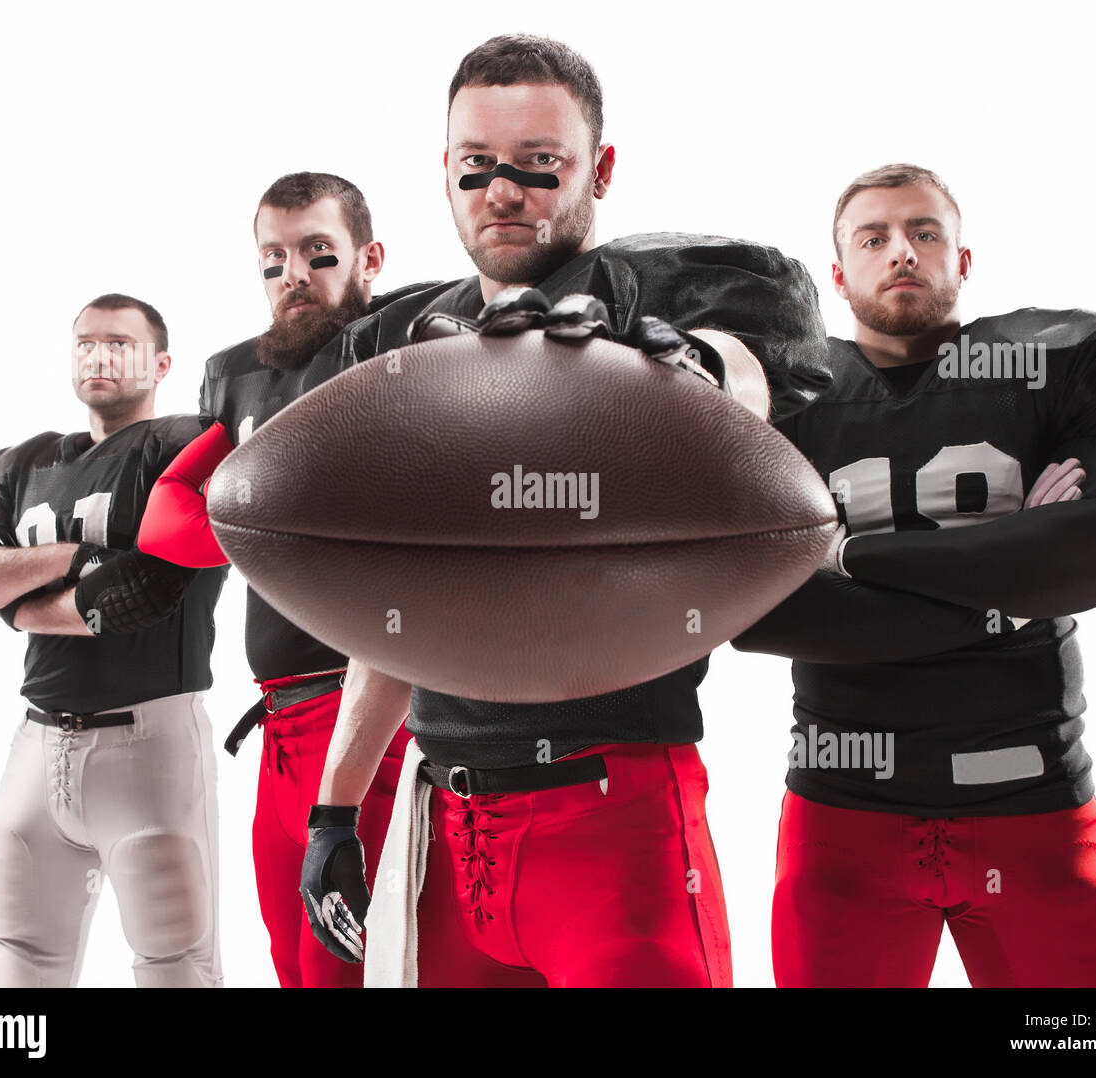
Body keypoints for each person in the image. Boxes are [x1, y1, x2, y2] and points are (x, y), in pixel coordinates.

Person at [297, 33, 830, 988]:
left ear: (601, 169)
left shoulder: (647, 295)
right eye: (477, 167)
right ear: (446, 172)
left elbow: (749, 370)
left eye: (540, 167)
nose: (504, 191)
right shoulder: (401, 338)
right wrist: (336, 806)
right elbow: (386, 595)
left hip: (613, 807)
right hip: (449, 818)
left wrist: (684, 375)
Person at [734, 164, 1096, 987]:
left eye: (925, 233)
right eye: (875, 237)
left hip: (1036, 807)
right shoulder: (781, 402)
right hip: (842, 814)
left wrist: (846, 555)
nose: (902, 252)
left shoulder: (1052, 365)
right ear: (837, 274)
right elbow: (747, 613)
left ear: (962, 261)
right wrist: (1014, 572)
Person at [137, 173, 430, 988]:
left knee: (347, 963)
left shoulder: (397, 343)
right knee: (290, 964)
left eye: (317, 252)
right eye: (273, 259)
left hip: (368, 707)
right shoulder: (234, 374)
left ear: (368, 258)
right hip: (275, 718)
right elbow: (173, 523)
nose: (292, 273)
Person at [0, 294, 226, 987]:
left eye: (120, 342)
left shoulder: (184, 445)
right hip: (35, 743)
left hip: (149, 742)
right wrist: (73, 561)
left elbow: (139, 593)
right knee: (17, 949)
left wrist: (17, 600)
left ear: (162, 362)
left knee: (177, 957)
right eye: (86, 342)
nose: (100, 355)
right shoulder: (24, 463)